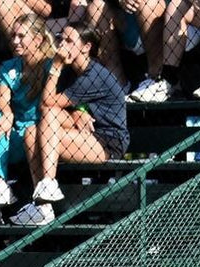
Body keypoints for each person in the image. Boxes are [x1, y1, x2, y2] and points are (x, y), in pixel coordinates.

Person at [10, 24, 128, 226]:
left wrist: (55, 65)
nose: (62, 45)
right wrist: (76, 113)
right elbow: (55, 105)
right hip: (83, 132)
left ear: (86, 46)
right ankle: (42, 206)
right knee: (30, 132)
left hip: (108, 141)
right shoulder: (70, 70)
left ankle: (48, 183)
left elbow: (47, 102)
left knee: (47, 113)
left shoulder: (93, 74)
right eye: (61, 39)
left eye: (69, 41)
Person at [0, 15, 56, 223]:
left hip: (38, 137)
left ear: (38, 39)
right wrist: (7, 114)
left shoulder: (49, 66)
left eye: (21, 36)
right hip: (11, 134)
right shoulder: (9, 66)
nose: (15, 41)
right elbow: (2, 100)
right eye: (13, 36)